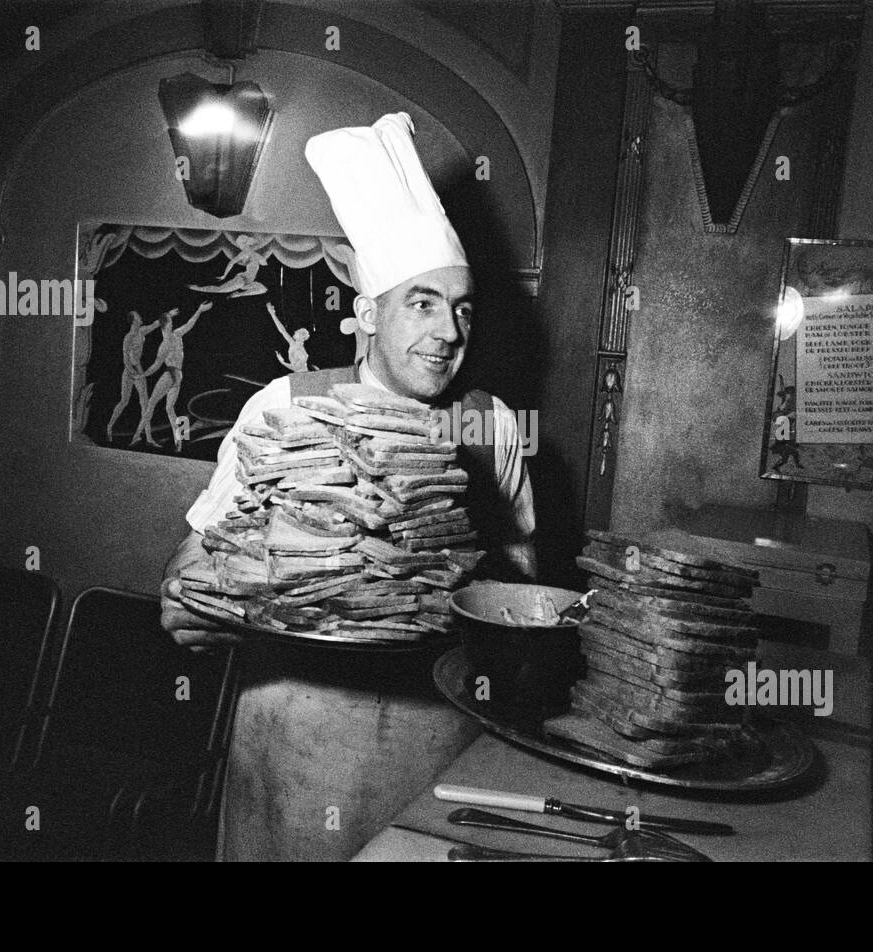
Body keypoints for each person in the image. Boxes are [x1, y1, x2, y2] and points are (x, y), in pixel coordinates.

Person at [158, 112, 536, 860]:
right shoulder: (284, 407)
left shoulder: (491, 425)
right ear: (367, 314)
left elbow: (525, 588)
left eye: (462, 308)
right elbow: (198, 565)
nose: (449, 332)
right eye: (422, 303)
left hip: (439, 737)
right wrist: (185, 608)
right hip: (291, 734)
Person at [135, 300, 212, 450]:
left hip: (171, 373)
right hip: (178, 376)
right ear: (167, 325)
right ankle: (181, 440)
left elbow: (156, 365)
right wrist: (199, 310)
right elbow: (190, 323)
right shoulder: (177, 335)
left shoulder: (167, 343)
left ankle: (138, 435)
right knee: (169, 408)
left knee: (151, 403)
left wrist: (141, 375)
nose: (171, 324)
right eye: (170, 322)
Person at [106, 311, 160, 442]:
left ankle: (147, 436)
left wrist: (168, 315)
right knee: (124, 401)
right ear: (134, 320)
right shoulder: (128, 337)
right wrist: (133, 373)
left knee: (144, 403)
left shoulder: (141, 331)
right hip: (130, 371)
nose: (141, 316)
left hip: (138, 369)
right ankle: (109, 427)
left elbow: (155, 324)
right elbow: (125, 359)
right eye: (138, 315)